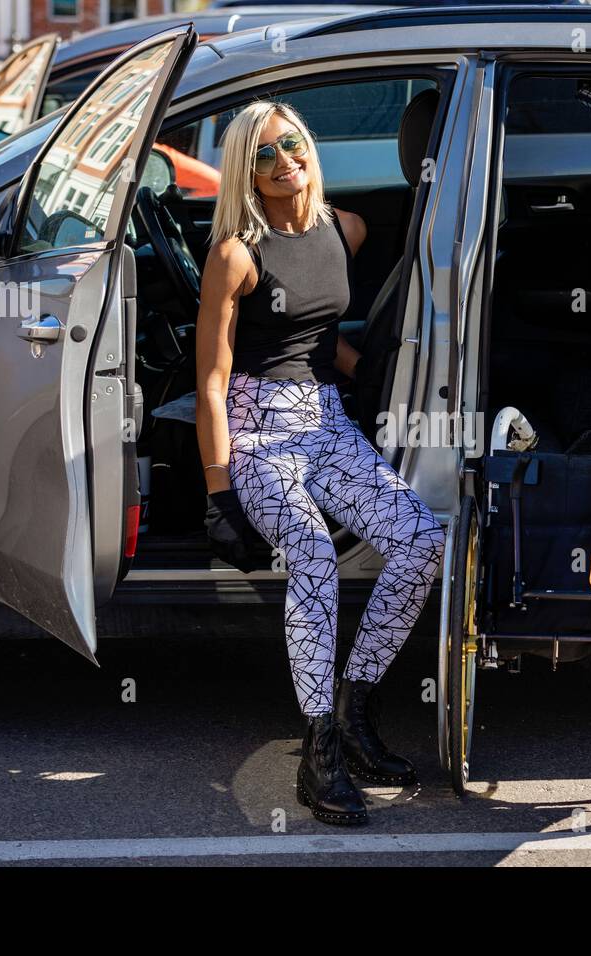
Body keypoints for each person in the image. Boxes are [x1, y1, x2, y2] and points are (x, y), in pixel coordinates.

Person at [193, 101, 446, 826]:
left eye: (290, 144)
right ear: (245, 170)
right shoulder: (236, 254)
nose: (282, 163)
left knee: (420, 540)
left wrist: (360, 367)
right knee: (310, 554)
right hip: (256, 427)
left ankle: (357, 705)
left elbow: (313, 331)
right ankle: (320, 747)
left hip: (326, 423)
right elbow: (212, 380)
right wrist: (220, 496)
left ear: (310, 144)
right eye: (262, 156)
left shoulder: (348, 229)